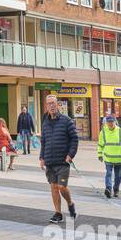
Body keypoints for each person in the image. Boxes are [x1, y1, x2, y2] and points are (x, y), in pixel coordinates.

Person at [38, 93, 78, 224]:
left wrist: (70, 155)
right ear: (46, 106)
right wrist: (41, 157)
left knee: (62, 187)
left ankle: (70, 203)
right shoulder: (45, 122)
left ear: (57, 104)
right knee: (54, 187)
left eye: (53, 103)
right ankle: (58, 213)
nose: (52, 106)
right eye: (49, 104)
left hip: (63, 161)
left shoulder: (66, 121)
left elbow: (74, 139)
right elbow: (43, 141)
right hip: (49, 161)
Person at [96, 108, 121, 198]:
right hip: (108, 158)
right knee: (108, 174)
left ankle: (116, 189)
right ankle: (108, 189)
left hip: (119, 158)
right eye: (108, 122)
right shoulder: (103, 132)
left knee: (118, 176)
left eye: (112, 122)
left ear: (115, 122)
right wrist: (99, 154)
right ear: (106, 123)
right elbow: (100, 144)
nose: (110, 124)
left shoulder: (120, 131)